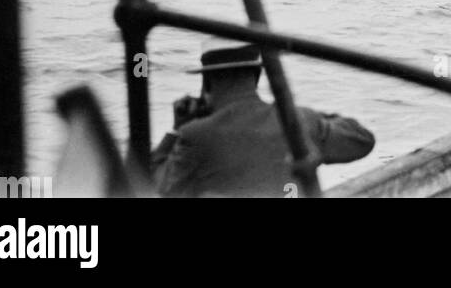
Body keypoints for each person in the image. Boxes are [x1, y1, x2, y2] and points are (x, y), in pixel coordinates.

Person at [151, 43, 375, 197]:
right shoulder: (299, 121)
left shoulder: (195, 135)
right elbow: (362, 140)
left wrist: (175, 131)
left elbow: (152, 187)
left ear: (207, 81)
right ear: (256, 77)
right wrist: (309, 116)